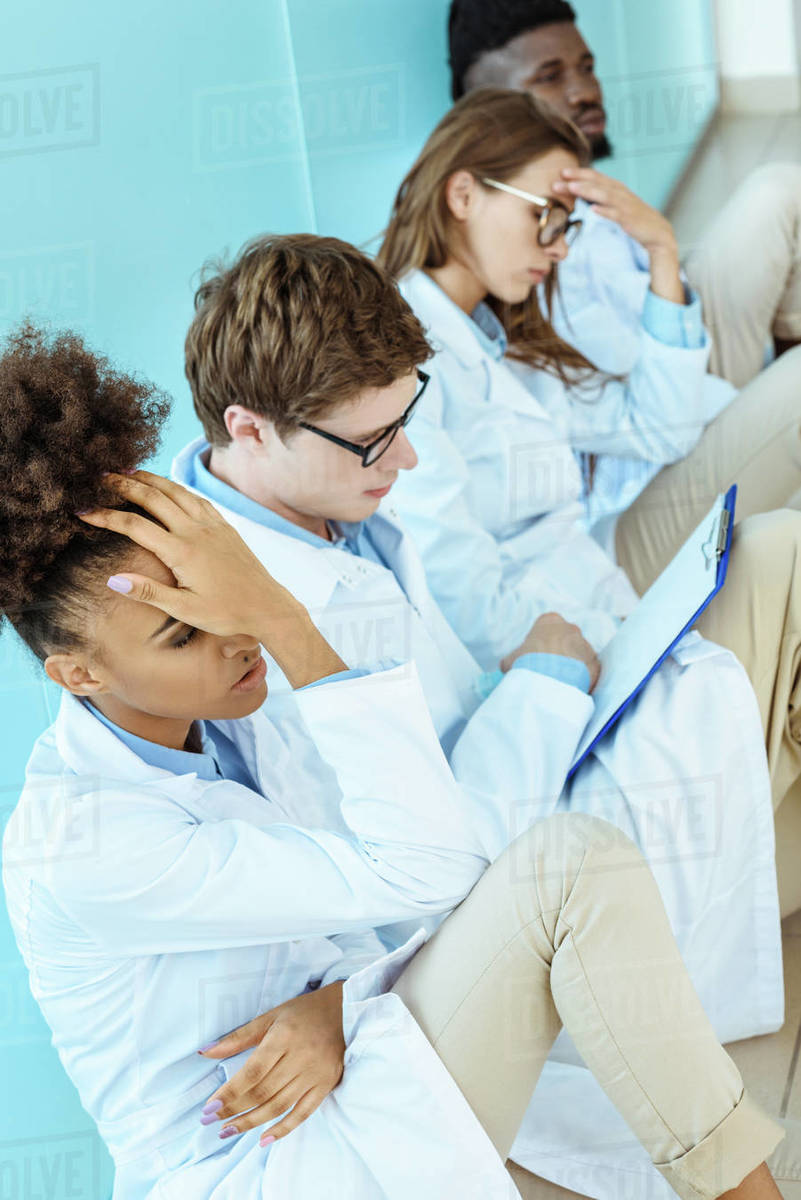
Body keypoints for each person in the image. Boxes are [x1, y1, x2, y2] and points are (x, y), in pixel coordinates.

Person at [0, 325, 784, 1200]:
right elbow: (428, 864)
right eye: (183, 632)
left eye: (226, 597)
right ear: (77, 675)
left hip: (354, 1075)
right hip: (263, 1166)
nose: (235, 636)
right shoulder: (77, 843)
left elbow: (390, 891)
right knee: (570, 866)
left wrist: (336, 1006)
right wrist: (290, 623)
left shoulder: (221, 729)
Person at [375, 88, 801, 911]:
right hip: (575, 635)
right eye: (544, 216)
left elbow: (662, 423)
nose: (558, 248)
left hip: (605, 571)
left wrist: (661, 250)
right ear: (462, 195)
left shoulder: (501, 334)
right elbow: (461, 585)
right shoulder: (406, 361)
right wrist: (594, 656)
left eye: (566, 224)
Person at [447, 0, 801, 591]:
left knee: (777, 192)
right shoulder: (515, 260)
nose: (585, 91)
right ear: (484, 107)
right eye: (551, 77)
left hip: (678, 380)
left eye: (586, 67)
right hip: (637, 496)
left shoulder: (582, 193)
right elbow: (659, 420)